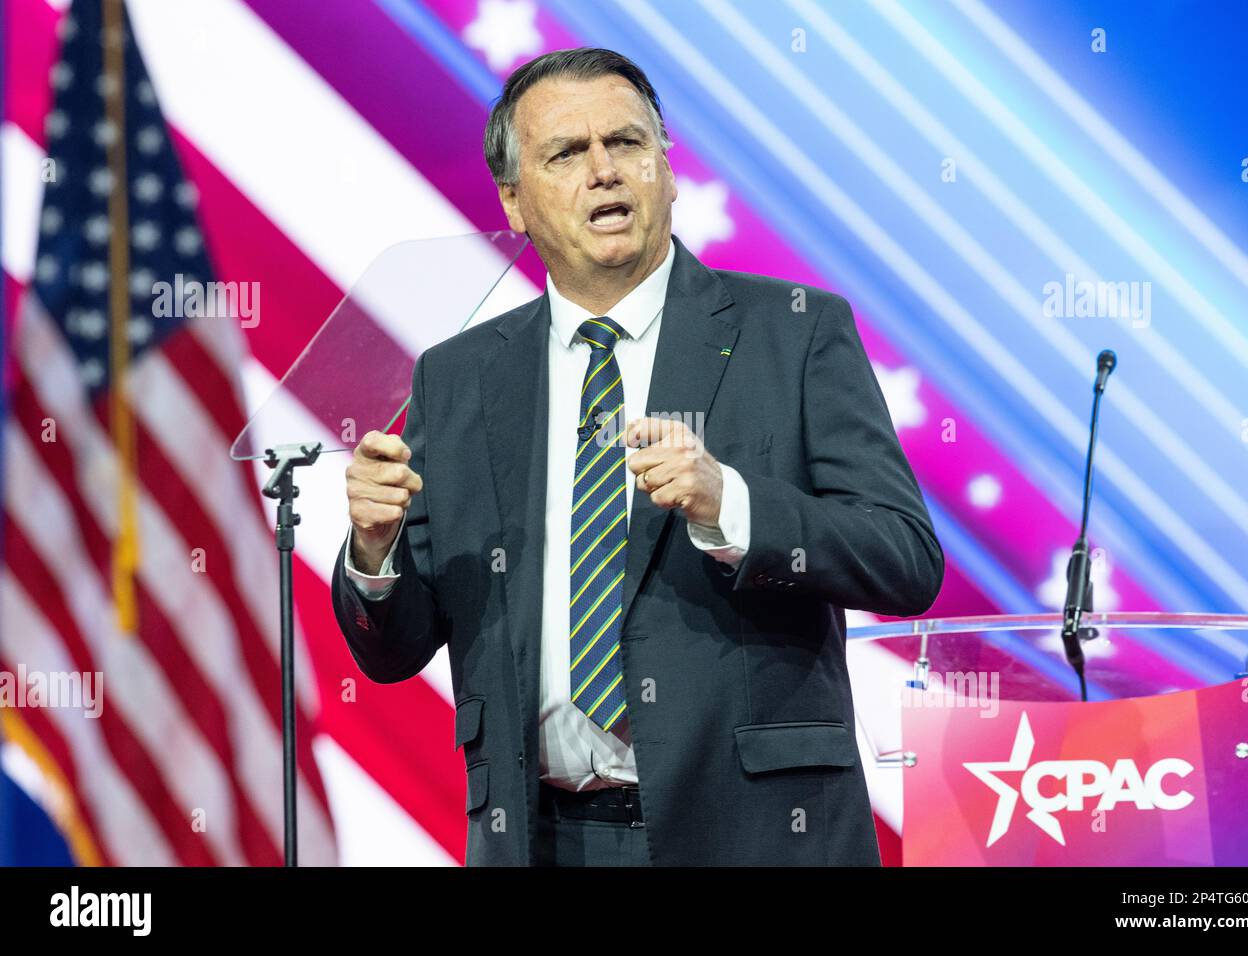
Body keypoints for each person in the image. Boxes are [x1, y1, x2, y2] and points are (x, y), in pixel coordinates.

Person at [332, 47, 943, 866]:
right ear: (514, 202)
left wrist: (728, 502)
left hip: (757, 835)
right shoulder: (460, 377)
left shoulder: (793, 332)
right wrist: (375, 552)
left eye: (626, 143)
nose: (604, 171)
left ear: (667, 169)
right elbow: (395, 650)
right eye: (566, 154)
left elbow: (905, 560)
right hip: (540, 840)